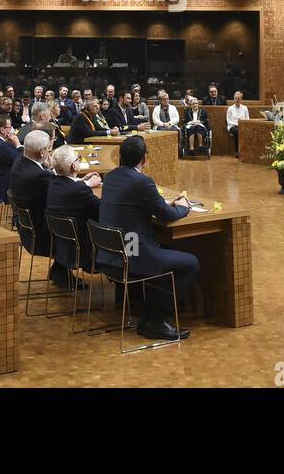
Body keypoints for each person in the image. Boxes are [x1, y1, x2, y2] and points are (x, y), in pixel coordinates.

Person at [96, 136, 196, 341]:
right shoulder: (143, 182)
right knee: (191, 263)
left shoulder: (111, 177)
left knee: (159, 252)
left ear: (120, 157)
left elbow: (135, 203)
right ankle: (158, 321)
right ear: (144, 159)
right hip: (133, 257)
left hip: (109, 255)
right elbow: (166, 215)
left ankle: (148, 314)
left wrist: (161, 202)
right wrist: (184, 208)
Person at [8, 130, 71, 289]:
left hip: (26, 228)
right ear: (42, 152)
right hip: (41, 233)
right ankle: (62, 272)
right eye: (49, 150)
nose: (49, 152)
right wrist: (54, 170)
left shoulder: (20, 161)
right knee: (76, 223)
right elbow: (62, 190)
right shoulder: (39, 175)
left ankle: (60, 271)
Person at [46, 145, 103, 272]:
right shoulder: (80, 190)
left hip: (60, 242)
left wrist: (82, 181)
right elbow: (102, 211)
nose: (79, 161)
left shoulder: (53, 183)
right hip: (82, 245)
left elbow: (69, 186)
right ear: (74, 166)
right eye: (78, 159)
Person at [226, 91, 250, 155]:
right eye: (235, 98)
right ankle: (237, 151)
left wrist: (242, 122)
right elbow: (228, 120)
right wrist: (237, 124)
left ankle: (246, 151)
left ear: (241, 99)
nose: (237, 100)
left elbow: (247, 119)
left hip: (243, 126)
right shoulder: (230, 108)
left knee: (244, 131)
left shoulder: (245, 108)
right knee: (237, 132)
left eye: (238, 98)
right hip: (232, 127)